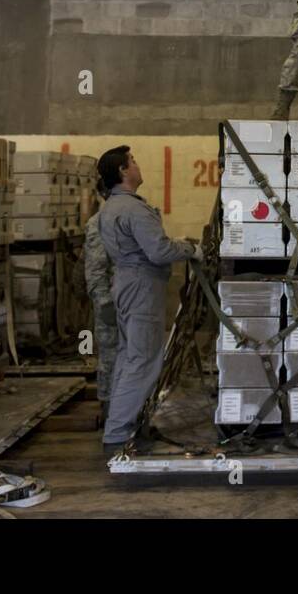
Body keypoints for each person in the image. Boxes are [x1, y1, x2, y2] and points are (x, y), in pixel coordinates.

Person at [96, 145, 201, 455]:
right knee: (143, 361)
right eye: (134, 162)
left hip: (127, 284)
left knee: (131, 358)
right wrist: (188, 250)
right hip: (142, 286)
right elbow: (158, 251)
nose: (139, 166)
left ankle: (125, 426)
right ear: (123, 171)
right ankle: (117, 435)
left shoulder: (111, 208)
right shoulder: (133, 209)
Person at [83, 177, 116, 423]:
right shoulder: (99, 224)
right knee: (110, 357)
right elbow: (95, 270)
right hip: (111, 304)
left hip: (129, 303)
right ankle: (108, 412)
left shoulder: (125, 219)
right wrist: (104, 303)